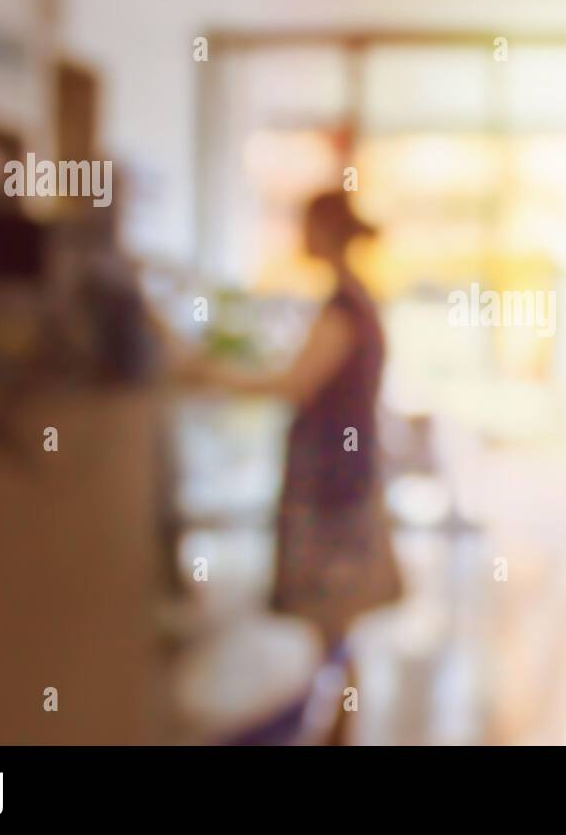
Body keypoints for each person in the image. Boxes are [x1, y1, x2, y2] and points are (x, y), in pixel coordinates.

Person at [186, 189, 402, 740]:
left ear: (324, 230)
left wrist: (205, 374)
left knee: (332, 605)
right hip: (340, 472)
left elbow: (293, 384)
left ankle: (338, 726)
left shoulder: (344, 307)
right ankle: (335, 720)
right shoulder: (353, 301)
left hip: (333, 478)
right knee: (334, 612)